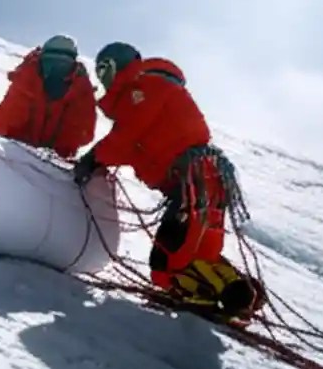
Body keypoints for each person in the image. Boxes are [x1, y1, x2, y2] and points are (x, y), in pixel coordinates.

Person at [72, 42, 254, 315]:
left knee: (166, 260)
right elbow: (139, 146)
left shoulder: (142, 88)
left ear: (115, 66)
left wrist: (92, 159)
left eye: (104, 70)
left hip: (190, 181)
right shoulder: (157, 88)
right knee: (198, 252)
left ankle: (203, 296)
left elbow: (127, 137)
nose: (103, 79)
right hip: (208, 179)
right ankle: (236, 291)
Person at [0, 35, 97, 158]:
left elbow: (82, 134)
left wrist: (58, 153)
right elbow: (3, 122)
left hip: (44, 162)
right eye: (50, 63)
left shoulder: (81, 90)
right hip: (13, 153)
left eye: (63, 66)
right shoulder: (27, 78)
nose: (55, 70)